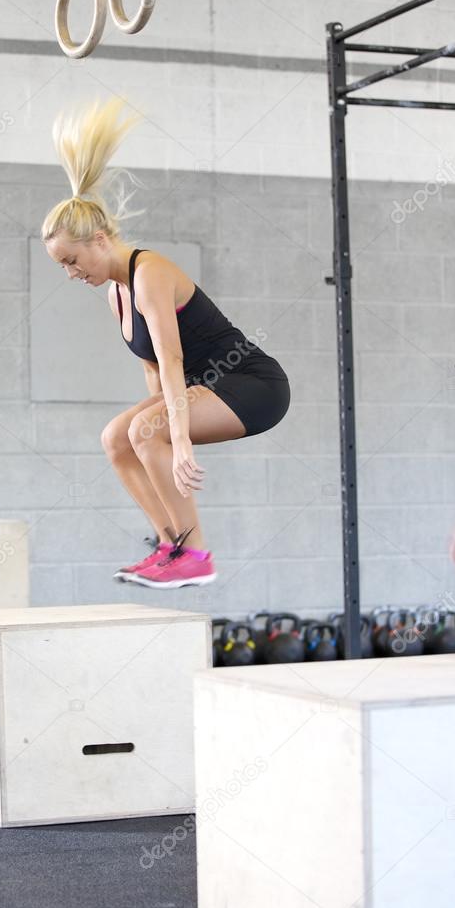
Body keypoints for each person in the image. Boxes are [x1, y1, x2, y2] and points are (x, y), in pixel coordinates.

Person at [40, 96, 291, 588]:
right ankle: (170, 546)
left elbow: (173, 359)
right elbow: (154, 369)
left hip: (253, 384)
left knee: (143, 431)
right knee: (116, 436)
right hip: (205, 390)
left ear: (99, 240)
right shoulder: (115, 292)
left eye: (72, 260)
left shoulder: (149, 272)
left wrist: (176, 442)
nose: (70, 273)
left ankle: (195, 552)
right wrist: (154, 423)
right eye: (61, 267)